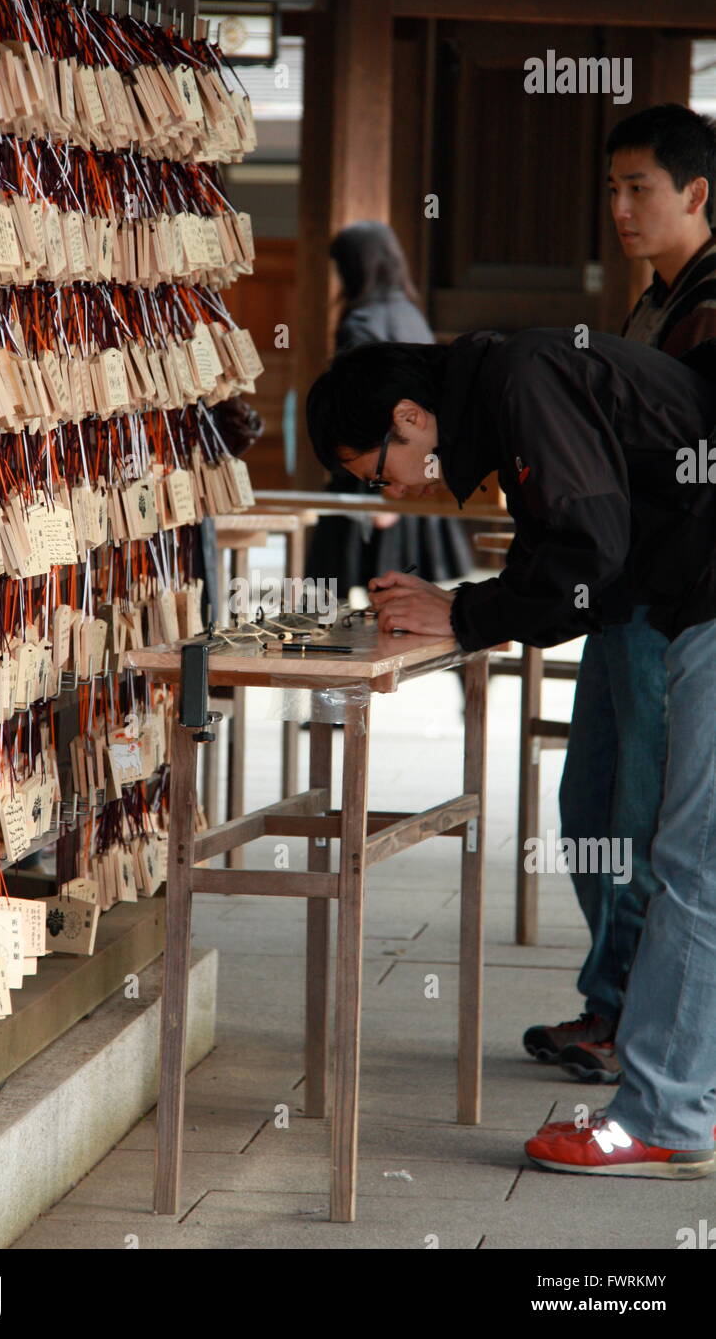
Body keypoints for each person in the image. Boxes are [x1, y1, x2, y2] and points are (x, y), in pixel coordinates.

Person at [306, 330, 716, 1176]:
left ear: (410, 415)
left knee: (693, 862)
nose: (391, 487)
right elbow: (576, 552)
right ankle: (682, 1095)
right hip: (690, 593)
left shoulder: (519, 379)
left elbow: (587, 549)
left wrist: (465, 615)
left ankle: (665, 1117)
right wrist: (466, 607)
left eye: (379, 468)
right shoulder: (506, 380)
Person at [525, 104, 716, 1088]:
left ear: (695, 193)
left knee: (641, 816)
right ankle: (611, 998)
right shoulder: (655, 299)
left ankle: (632, 1021)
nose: (618, 207)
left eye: (637, 187)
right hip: (620, 592)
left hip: (668, 599)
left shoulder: (710, 305)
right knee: (588, 800)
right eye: (610, 188)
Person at [304, 220, 471, 602]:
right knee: (406, 590)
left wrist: (379, 492)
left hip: (378, 466)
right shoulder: (410, 312)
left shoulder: (361, 322)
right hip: (414, 464)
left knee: (350, 591)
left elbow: (358, 418)